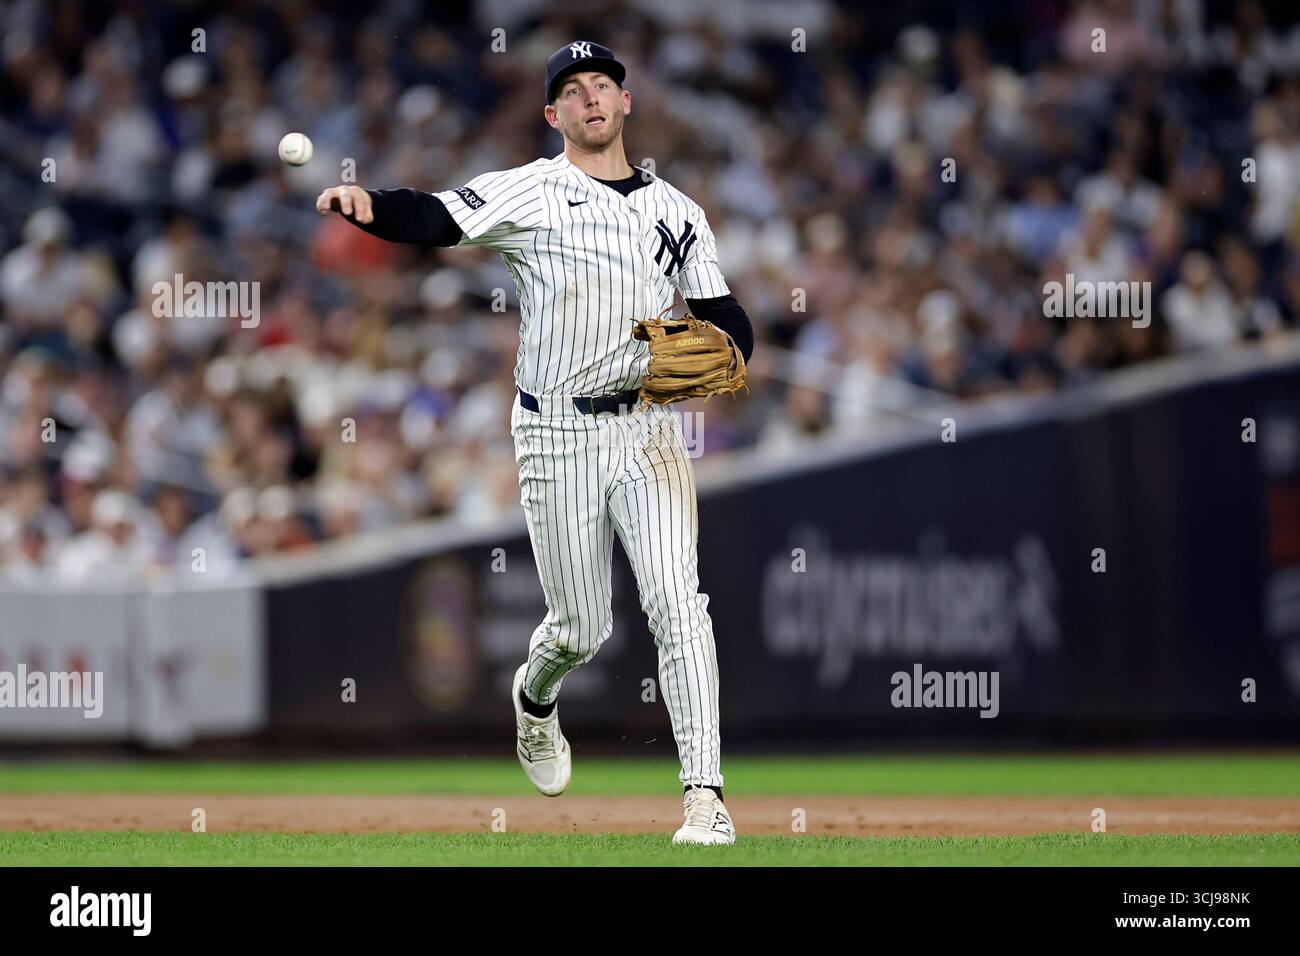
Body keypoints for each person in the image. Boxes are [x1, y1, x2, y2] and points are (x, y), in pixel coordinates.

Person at [317, 41, 753, 845]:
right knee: (580, 627)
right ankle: (537, 695)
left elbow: (731, 325)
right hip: (554, 431)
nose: (591, 99)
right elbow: (439, 215)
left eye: (604, 86)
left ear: (625, 104)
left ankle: (705, 797)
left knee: (677, 604)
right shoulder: (532, 190)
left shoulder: (680, 214)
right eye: (574, 90)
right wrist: (372, 203)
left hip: (647, 431)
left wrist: (722, 355)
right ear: (553, 114)